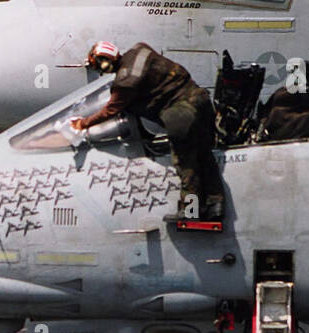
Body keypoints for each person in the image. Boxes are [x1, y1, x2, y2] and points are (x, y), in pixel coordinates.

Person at [71, 41, 225, 221]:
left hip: (182, 113)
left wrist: (83, 123)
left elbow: (111, 110)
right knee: (204, 154)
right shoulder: (140, 49)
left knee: (186, 162)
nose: (101, 71)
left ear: (105, 61)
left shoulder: (125, 81)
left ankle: (190, 212)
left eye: (100, 66)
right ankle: (216, 205)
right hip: (201, 100)